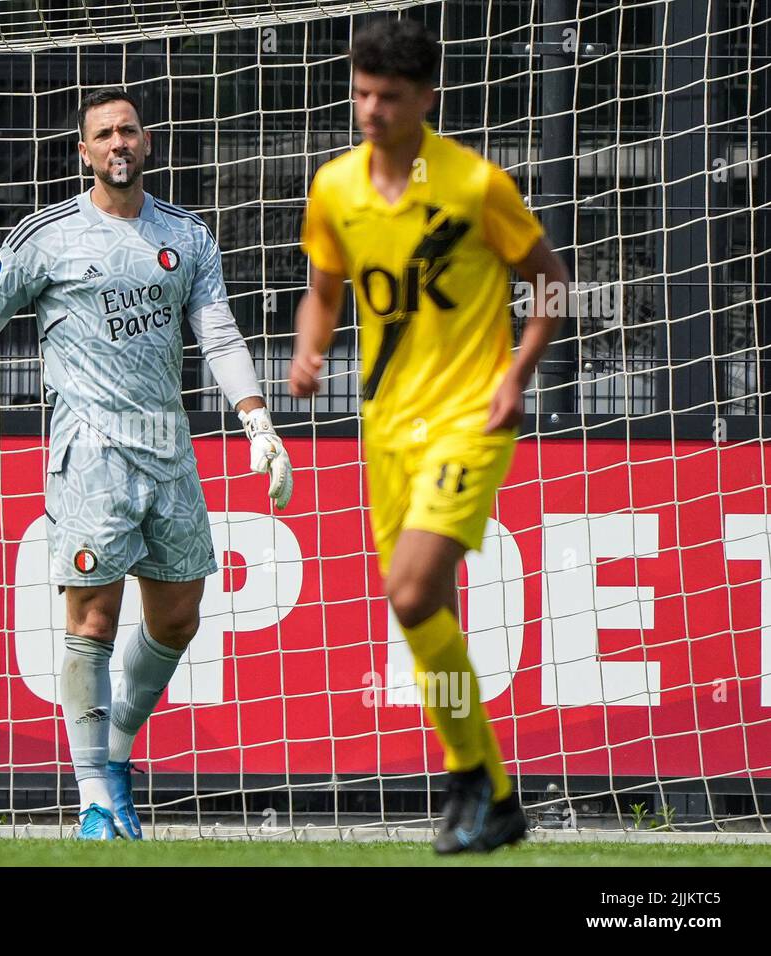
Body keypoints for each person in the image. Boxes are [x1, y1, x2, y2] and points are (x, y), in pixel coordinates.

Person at [0, 88, 293, 840]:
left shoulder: (187, 236)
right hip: (90, 450)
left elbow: (221, 336)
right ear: (85, 152)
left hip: (169, 447)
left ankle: (119, 751)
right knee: (93, 618)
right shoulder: (49, 237)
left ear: (147, 141)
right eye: (103, 134)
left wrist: (256, 421)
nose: (118, 144)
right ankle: (96, 799)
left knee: (178, 616)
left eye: (129, 130)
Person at [290, 19, 568, 853]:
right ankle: (486, 787)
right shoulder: (335, 186)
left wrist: (516, 376)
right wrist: (309, 348)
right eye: (362, 93)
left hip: (469, 418)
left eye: (390, 98)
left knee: (408, 593)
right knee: (424, 615)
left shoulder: (476, 185)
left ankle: (480, 782)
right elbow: (325, 291)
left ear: (427, 98)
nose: (371, 110)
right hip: (388, 428)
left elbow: (550, 283)